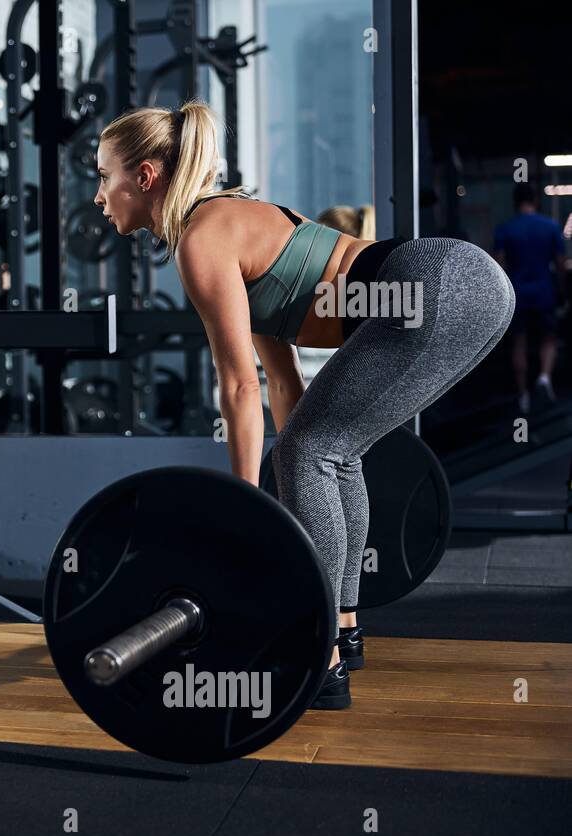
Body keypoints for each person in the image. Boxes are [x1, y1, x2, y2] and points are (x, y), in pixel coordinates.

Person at [94, 102, 514, 709]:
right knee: (329, 453)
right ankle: (344, 631)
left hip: (433, 284)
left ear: (147, 176)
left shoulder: (201, 239)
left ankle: (319, 658)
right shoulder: (232, 223)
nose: (100, 196)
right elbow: (280, 385)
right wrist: (291, 479)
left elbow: (238, 388)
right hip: (473, 285)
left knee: (315, 451)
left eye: (106, 176)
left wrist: (243, 506)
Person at [492, 183, 566, 414]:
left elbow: (498, 264)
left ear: (515, 202)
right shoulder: (551, 226)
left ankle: (523, 394)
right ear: (535, 200)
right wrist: (560, 289)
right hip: (544, 292)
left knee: (519, 342)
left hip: (517, 294)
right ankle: (544, 378)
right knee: (549, 337)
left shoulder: (505, 229)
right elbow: (561, 263)